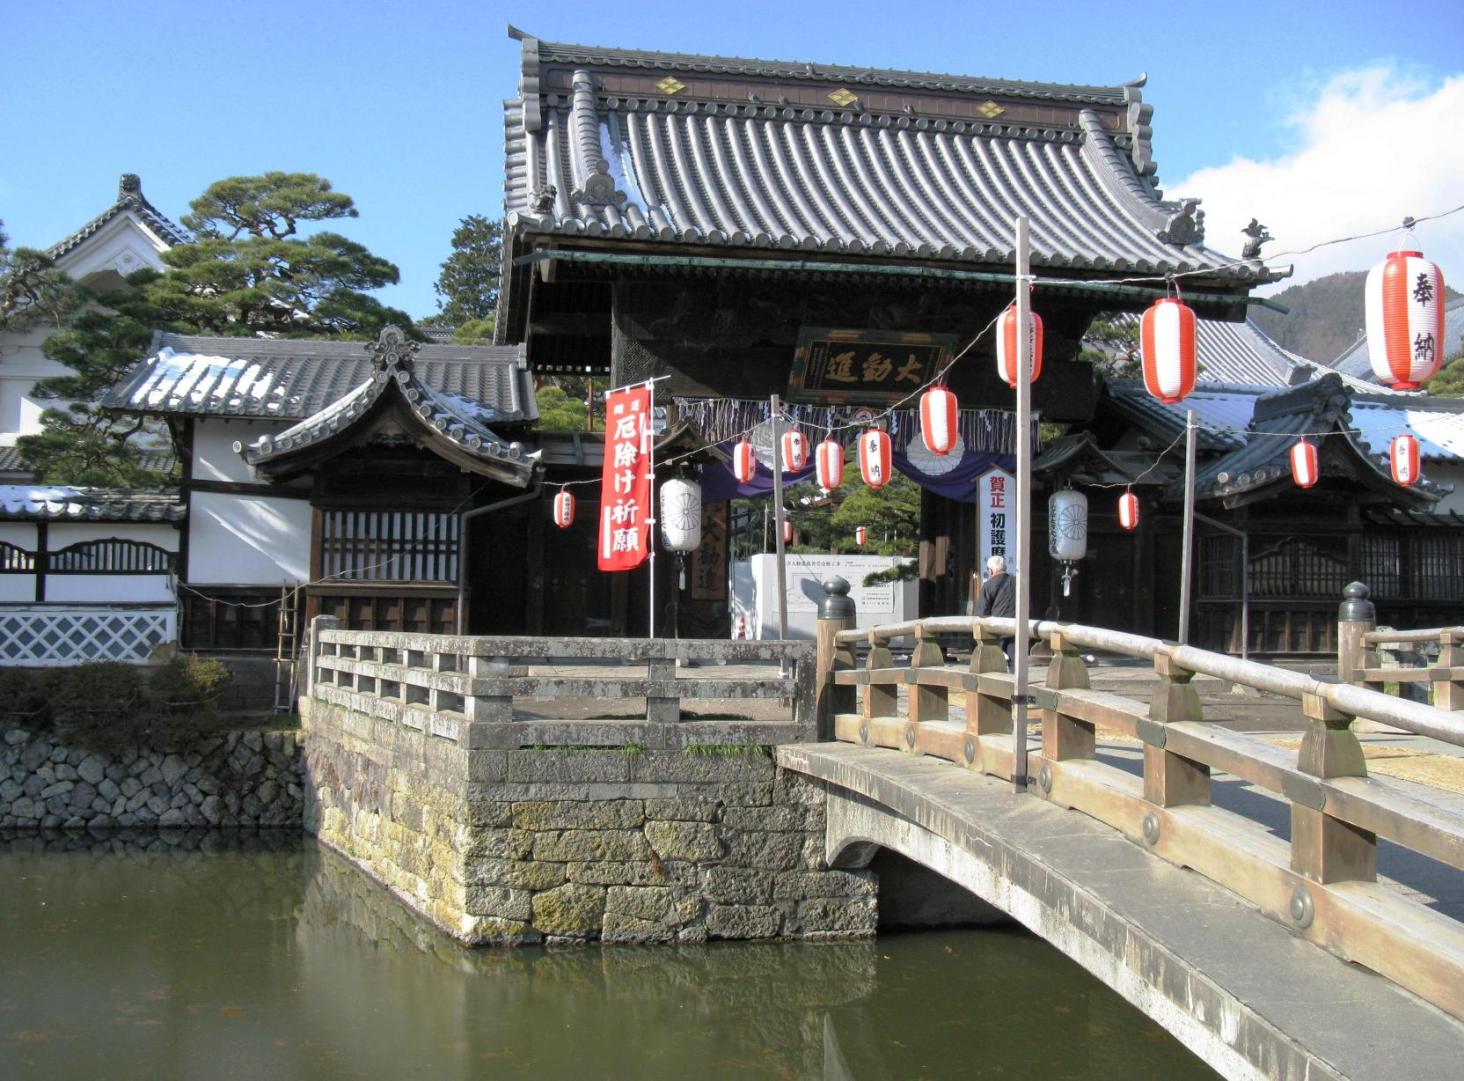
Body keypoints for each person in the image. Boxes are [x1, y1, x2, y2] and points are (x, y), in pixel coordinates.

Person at [974, 555, 1016, 667]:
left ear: (991, 570)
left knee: (996, 666)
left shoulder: (988, 585)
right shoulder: (1018, 582)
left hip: (998, 632)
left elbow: (982, 612)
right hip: (1017, 629)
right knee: (1015, 664)